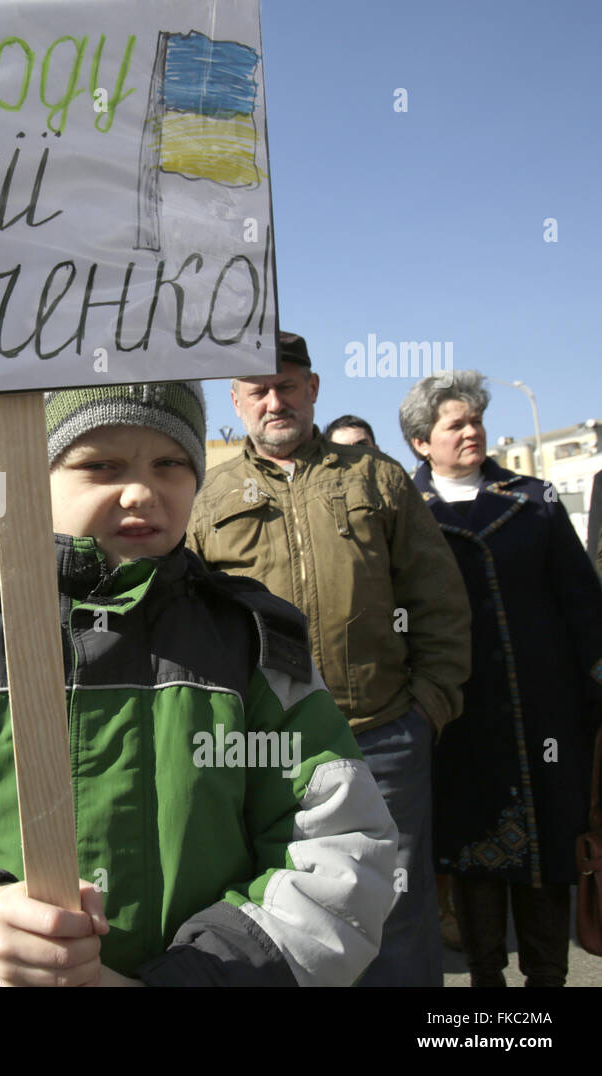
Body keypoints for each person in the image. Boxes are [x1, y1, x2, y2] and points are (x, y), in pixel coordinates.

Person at [0, 382, 398, 986]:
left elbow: (340, 851)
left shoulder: (254, 644)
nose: (141, 491)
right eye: (100, 465)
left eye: (170, 463)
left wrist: (199, 977)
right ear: (36, 480)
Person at [187, 331, 471, 987]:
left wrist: (427, 710)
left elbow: (439, 602)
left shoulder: (376, 476)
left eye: (287, 385)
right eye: (257, 389)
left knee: (394, 913)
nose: (274, 400)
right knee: (277, 916)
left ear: (312, 389)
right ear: (237, 399)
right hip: (261, 752)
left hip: (383, 737)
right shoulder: (209, 497)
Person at [401, 370, 602, 987]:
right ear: (420, 442)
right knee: (471, 855)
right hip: (457, 716)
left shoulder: (535, 501)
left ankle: (547, 987)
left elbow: (582, 602)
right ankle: (488, 989)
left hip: (544, 713)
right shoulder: (404, 511)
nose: (471, 432)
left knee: (545, 855)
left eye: (475, 421)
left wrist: (592, 688)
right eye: (455, 424)